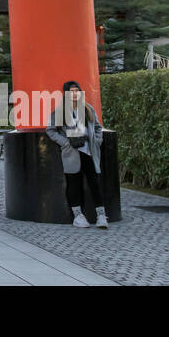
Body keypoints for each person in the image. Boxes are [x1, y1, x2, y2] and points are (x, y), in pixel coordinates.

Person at [45, 81, 109, 229]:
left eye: (77, 91)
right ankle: (78, 216)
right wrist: (65, 143)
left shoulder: (88, 109)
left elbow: (98, 127)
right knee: (73, 183)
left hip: (89, 151)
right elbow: (51, 130)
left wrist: (97, 141)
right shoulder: (60, 112)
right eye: (71, 91)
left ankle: (101, 215)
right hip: (72, 152)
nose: (75, 94)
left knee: (94, 183)